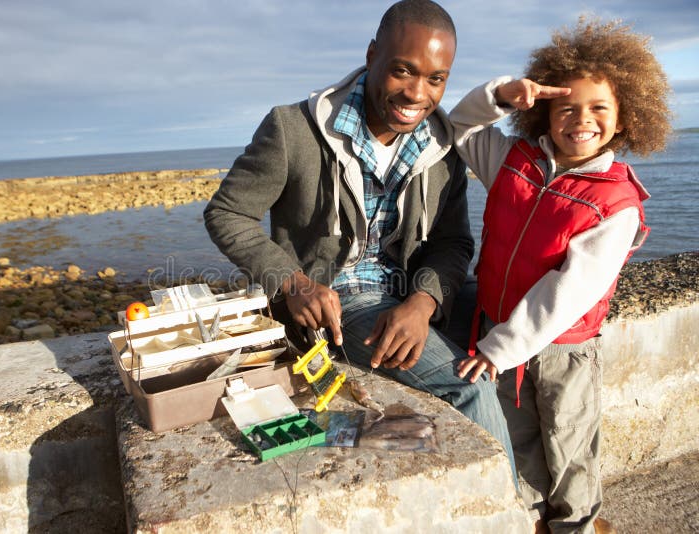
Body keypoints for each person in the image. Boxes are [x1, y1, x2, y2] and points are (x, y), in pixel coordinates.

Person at [204, 0, 516, 471]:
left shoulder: (443, 144)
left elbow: (454, 243)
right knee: (469, 385)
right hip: (337, 298)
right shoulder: (294, 129)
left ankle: (550, 500)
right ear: (372, 55)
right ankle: (511, 514)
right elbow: (227, 212)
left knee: (522, 330)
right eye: (402, 71)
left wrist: (423, 303)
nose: (417, 93)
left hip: (410, 289)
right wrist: (294, 282)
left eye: (436, 79)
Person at [451, 19, 671, 534]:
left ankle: (577, 526)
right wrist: (501, 94)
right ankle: (533, 520)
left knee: (570, 452)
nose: (582, 120)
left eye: (599, 108)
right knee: (520, 442)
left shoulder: (617, 203)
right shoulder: (513, 160)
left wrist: (499, 347)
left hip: (562, 351)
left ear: (623, 119)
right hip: (496, 335)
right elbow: (459, 127)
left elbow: (570, 290)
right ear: (545, 113)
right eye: (567, 107)